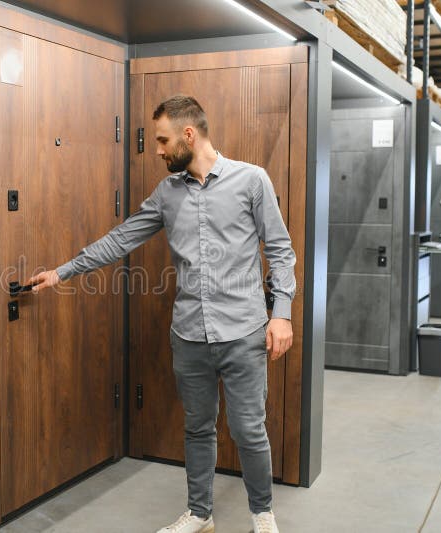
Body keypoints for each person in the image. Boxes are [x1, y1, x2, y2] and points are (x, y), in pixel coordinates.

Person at [28, 95, 296, 533]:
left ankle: (262, 516)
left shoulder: (252, 181)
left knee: (249, 430)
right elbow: (121, 239)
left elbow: (281, 251)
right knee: (197, 429)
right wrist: (62, 271)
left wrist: (281, 313)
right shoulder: (167, 194)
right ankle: (200, 515)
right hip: (190, 336)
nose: (157, 150)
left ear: (189, 135)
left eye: (163, 140)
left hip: (244, 333)